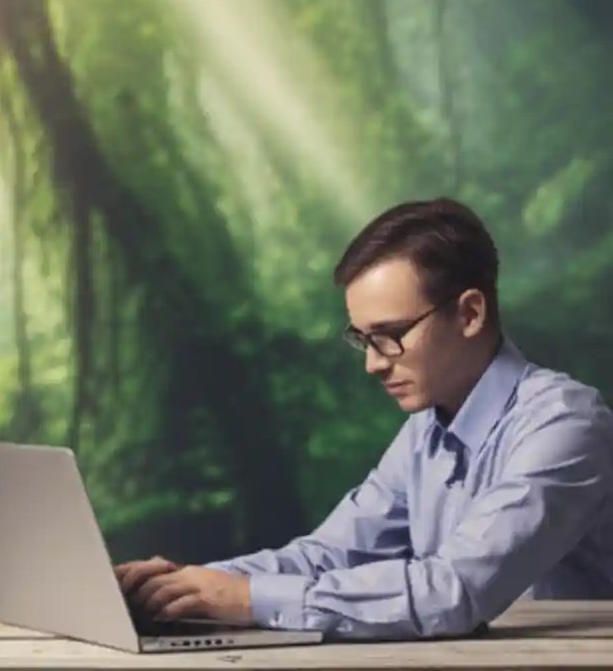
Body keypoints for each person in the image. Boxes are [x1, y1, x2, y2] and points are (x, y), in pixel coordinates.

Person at [114, 198, 613, 640]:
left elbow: (453, 590)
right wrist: (183, 584)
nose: (372, 363)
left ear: (470, 314)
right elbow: (328, 555)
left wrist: (245, 599)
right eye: (362, 339)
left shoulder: (566, 426)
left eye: (390, 334)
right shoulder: (426, 431)